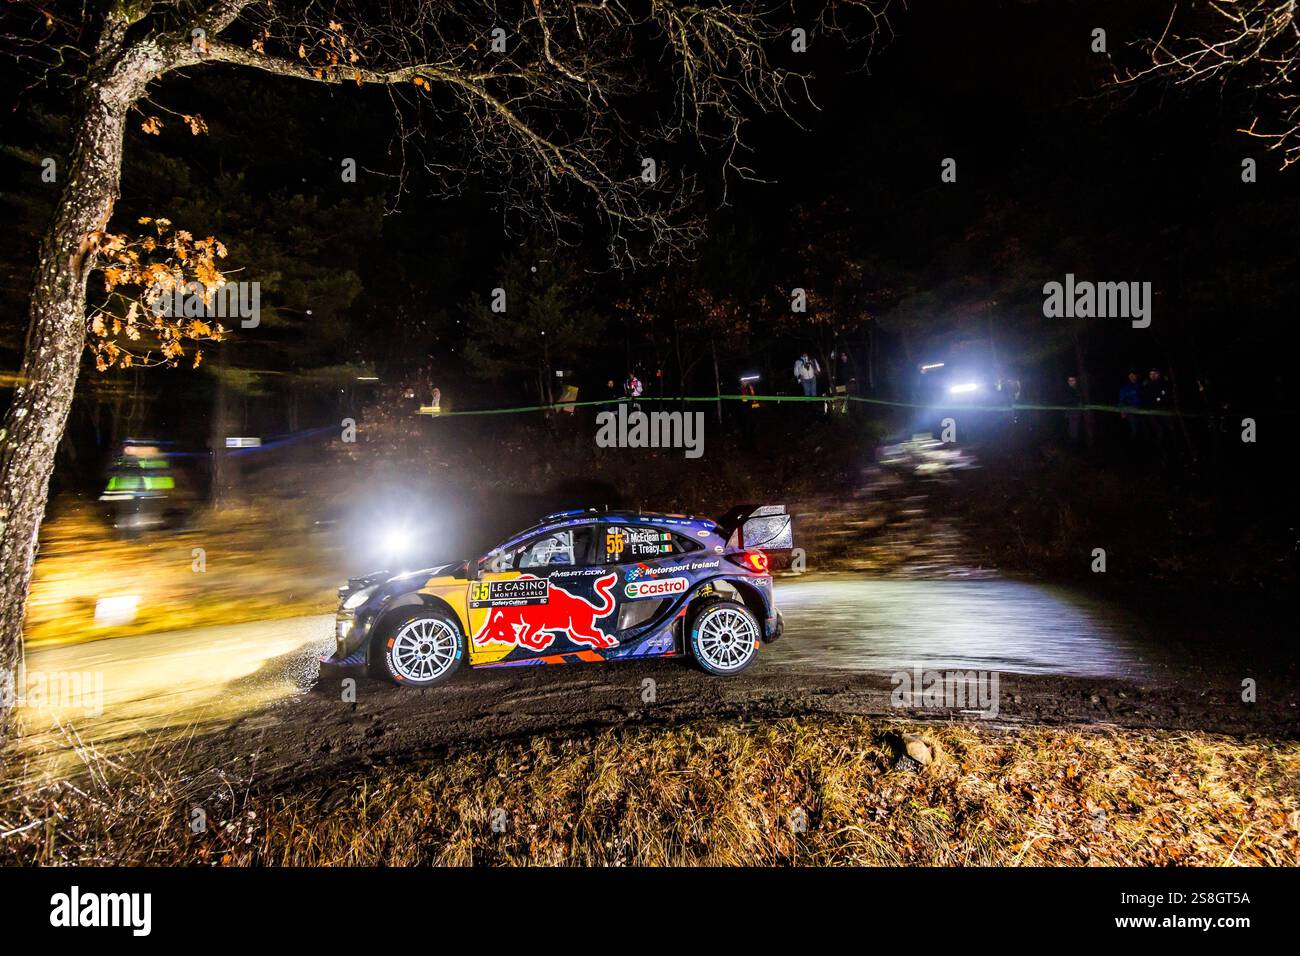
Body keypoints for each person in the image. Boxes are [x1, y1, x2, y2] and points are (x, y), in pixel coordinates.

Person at [1118, 370, 1141, 440]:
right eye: (1131, 376)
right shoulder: (1125, 388)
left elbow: (1143, 397)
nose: (1133, 377)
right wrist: (1122, 410)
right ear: (1128, 377)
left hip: (1142, 409)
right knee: (1132, 424)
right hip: (1131, 410)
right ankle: (1133, 437)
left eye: (1134, 375)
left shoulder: (1140, 386)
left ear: (1136, 376)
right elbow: (1121, 399)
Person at [1064, 375, 1083, 444]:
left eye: (1072, 380)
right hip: (1071, 412)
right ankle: (1072, 441)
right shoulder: (1068, 390)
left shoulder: (1078, 390)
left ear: (1075, 381)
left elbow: (1079, 401)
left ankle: (1074, 442)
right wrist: (1067, 412)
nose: (1070, 382)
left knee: (1075, 427)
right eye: (1069, 380)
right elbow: (1067, 401)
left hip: (1076, 412)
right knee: (1071, 427)